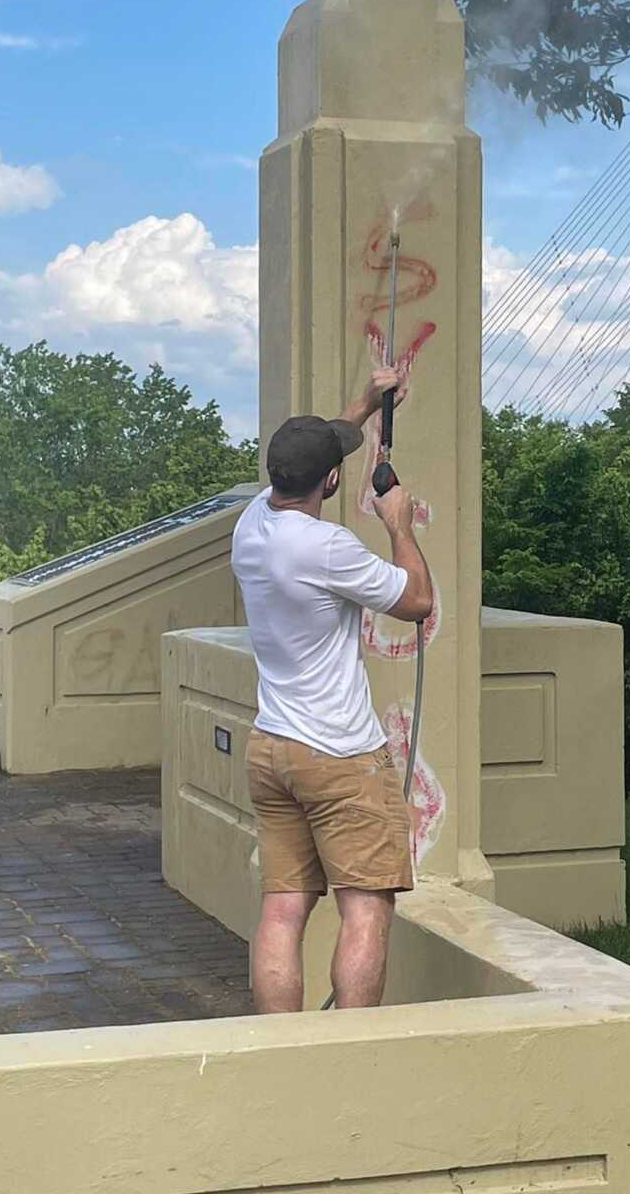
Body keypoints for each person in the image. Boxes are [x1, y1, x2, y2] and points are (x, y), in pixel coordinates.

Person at [231, 368, 433, 1014]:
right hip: (340, 756)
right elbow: (417, 601)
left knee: (283, 910)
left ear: (275, 477)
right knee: (367, 908)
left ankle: (281, 1052)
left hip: (274, 749)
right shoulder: (326, 549)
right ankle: (351, 1054)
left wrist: (367, 407)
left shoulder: (251, 525)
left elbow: (330, 444)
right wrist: (398, 522)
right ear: (333, 482)